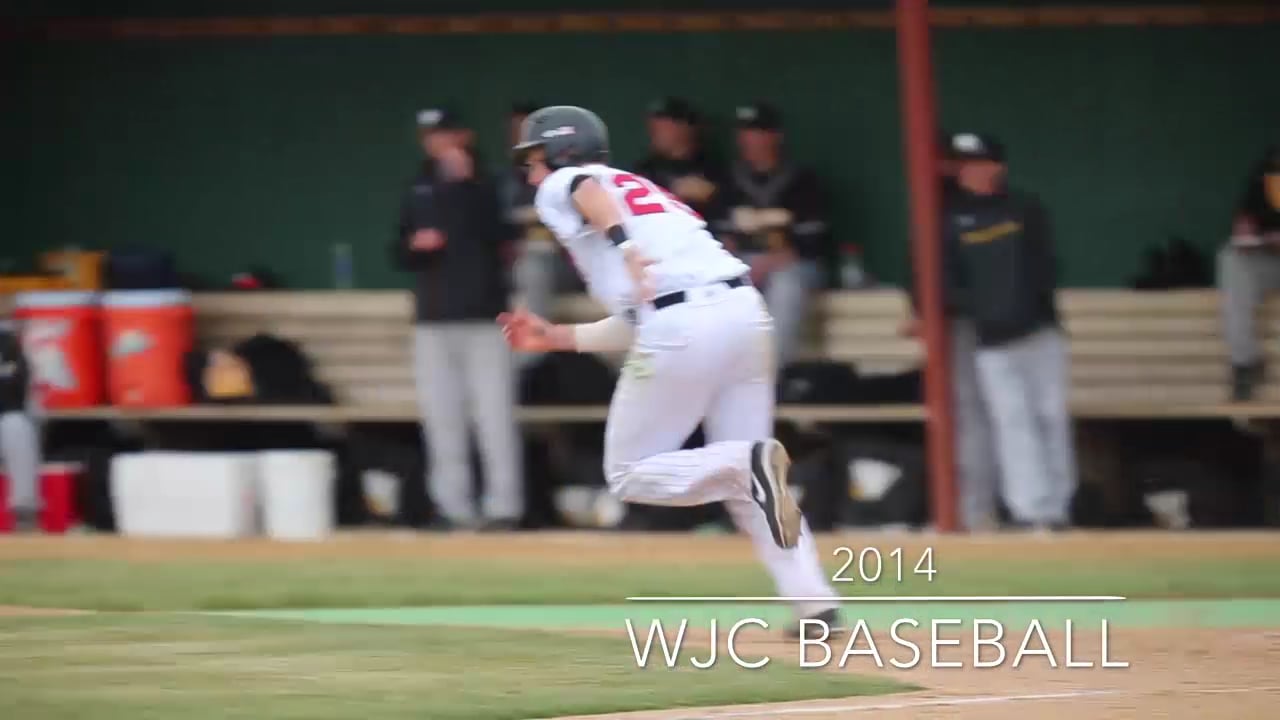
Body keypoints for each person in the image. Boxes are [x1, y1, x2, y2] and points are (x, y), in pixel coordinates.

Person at [500, 105, 842, 634]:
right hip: (743, 314)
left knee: (629, 473)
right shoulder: (646, 192)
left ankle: (746, 464)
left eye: (535, 157)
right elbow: (643, 312)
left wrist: (625, 245)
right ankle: (814, 602)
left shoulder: (570, 181)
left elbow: (583, 189)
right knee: (748, 480)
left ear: (562, 150)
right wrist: (562, 336)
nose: (531, 171)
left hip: (685, 326)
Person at [392, 107, 523, 531]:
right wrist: (417, 245)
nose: (438, 142)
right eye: (431, 134)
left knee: (494, 416)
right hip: (433, 316)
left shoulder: (488, 183)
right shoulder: (418, 186)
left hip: (485, 315)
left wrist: (465, 186)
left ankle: (504, 508)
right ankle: (454, 508)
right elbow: (398, 252)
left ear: (464, 136)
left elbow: (503, 238)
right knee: (442, 417)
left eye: (446, 133)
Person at [944, 132, 1075, 531]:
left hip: (1038, 333)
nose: (971, 171)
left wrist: (1027, 311)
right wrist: (986, 311)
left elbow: (1045, 268)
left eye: (979, 162)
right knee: (1012, 422)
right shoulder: (951, 217)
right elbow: (948, 282)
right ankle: (1031, 511)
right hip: (991, 342)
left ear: (998, 167)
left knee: (1051, 416)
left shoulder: (1024, 208)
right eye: (964, 163)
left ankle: (1059, 507)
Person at [902, 130, 1002, 532]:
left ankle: (979, 509)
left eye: (961, 161)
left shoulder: (990, 206)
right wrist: (922, 312)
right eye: (948, 160)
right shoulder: (935, 205)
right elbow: (920, 265)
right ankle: (967, 507)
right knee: (963, 416)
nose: (951, 168)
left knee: (977, 416)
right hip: (954, 323)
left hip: (981, 324)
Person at [715, 102, 832, 370]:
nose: (749, 138)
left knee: (786, 286)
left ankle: (770, 377)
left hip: (794, 265)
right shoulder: (728, 181)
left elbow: (811, 243)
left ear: (775, 136)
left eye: (758, 131)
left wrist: (765, 265)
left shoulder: (803, 181)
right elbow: (719, 238)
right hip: (742, 262)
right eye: (745, 132)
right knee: (717, 287)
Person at [1217, 146, 1280, 401]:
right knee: (1231, 257)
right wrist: (1246, 231)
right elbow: (1248, 218)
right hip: (1271, 261)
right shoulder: (1267, 171)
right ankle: (1245, 361)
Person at [635, 97, 724, 221]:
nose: (655, 130)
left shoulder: (713, 166)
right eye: (654, 125)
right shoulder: (646, 169)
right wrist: (672, 190)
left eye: (665, 125)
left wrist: (713, 194)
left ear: (685, 127)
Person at [0, 316, 41, 532]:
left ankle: (24, 514)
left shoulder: (7, 343)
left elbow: (14, 393)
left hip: (6, 416)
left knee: (16, 425)